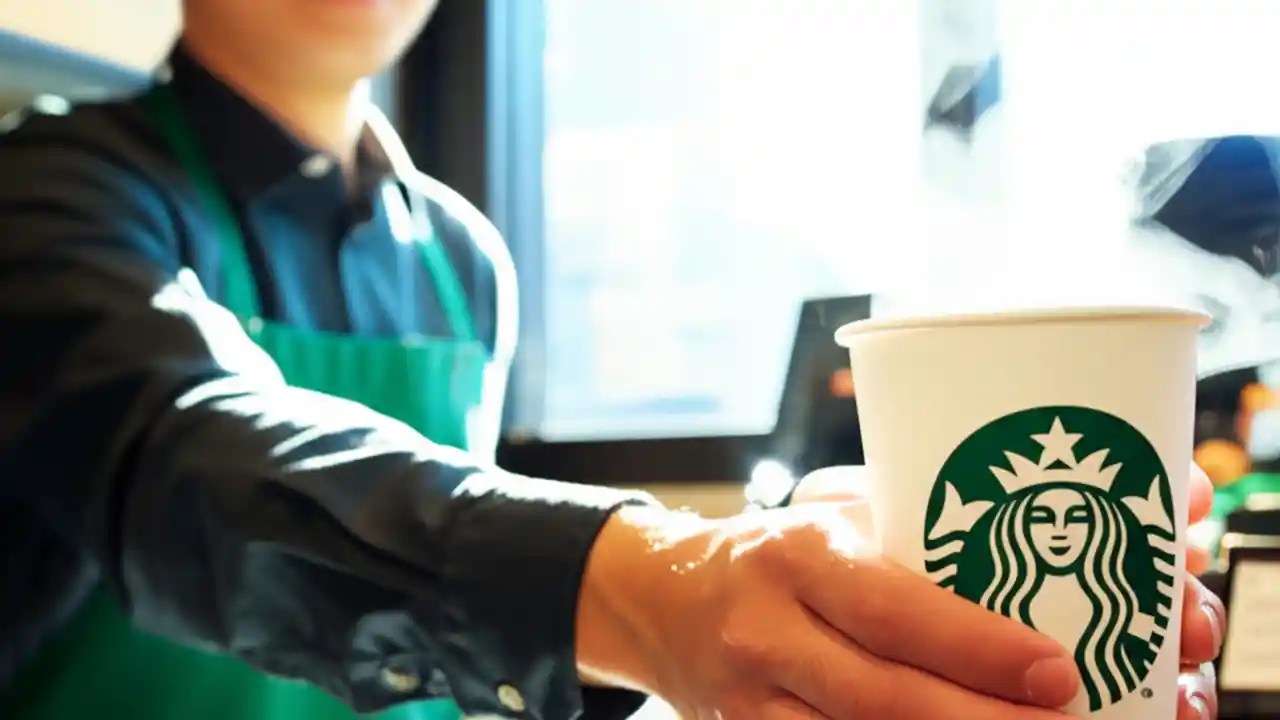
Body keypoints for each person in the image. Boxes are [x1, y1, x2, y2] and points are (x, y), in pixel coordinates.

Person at [0, 1, 1224, 718]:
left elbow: (438, 621)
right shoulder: (51, 192)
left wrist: (824, 607)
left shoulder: (461, 257)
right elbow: (177, 459)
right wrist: (647, 583)